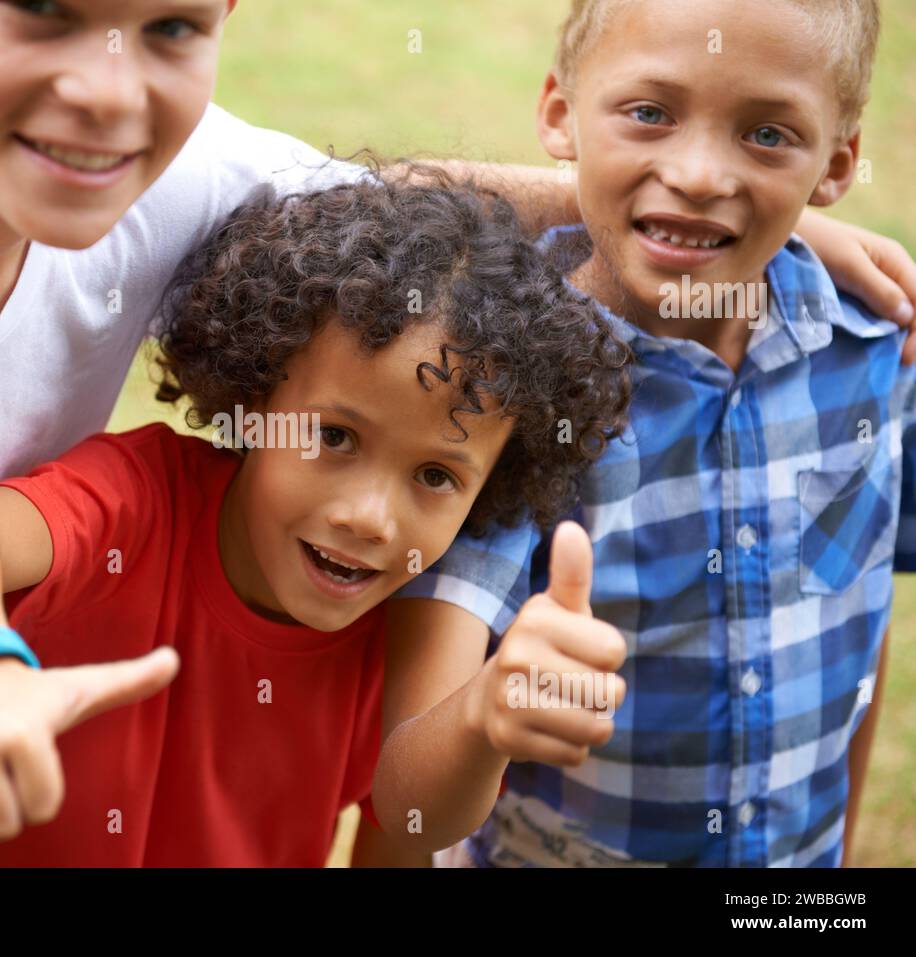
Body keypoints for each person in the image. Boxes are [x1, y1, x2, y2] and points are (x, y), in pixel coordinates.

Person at [0, 0, 908, 868]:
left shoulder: (155, 176)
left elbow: (389, 213)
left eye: (172, 22)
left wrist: (740, 229)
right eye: (44, 7)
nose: (109, 94)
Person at [0, 175, 632, 865]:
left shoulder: (408, 626)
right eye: (334, 437)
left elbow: (410, 825)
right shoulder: (137, 506)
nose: (369, 517)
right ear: (257, 389)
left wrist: (482, 714)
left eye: (436, 475)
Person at [369, 0, 912, 867]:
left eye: (768, 134)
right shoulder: (498, 386)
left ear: (839, 161)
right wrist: (484, 714)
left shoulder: (876, 351)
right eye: (650, 113)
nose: (698, 174)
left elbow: (860, 617)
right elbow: (399, 804)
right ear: (559, 113)